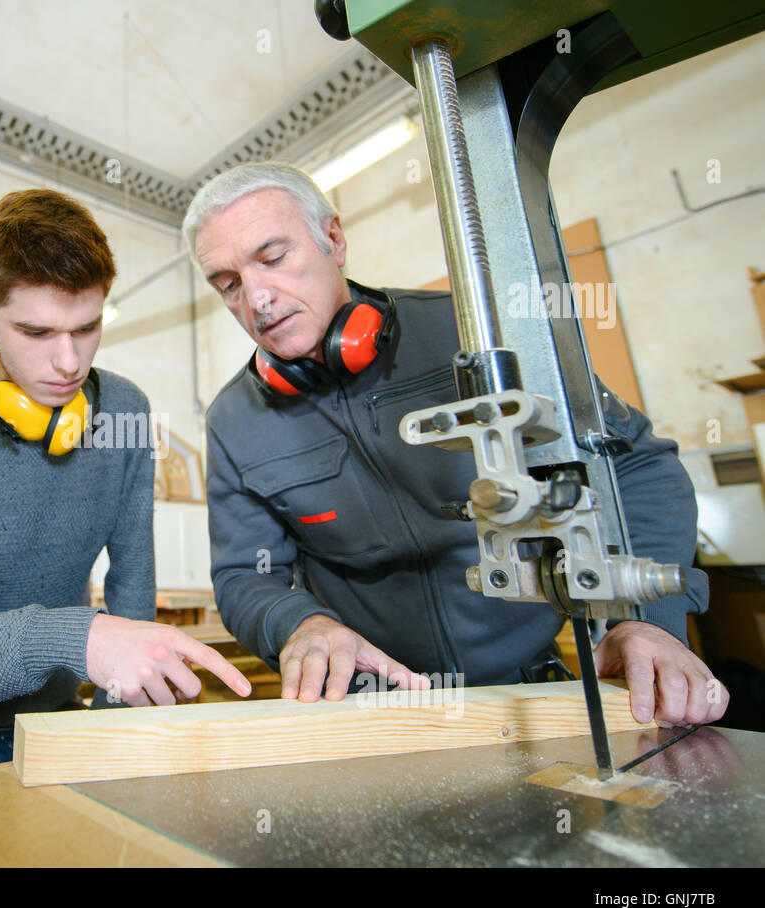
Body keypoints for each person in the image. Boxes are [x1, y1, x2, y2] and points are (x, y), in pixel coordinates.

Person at [184, 161, 728, 727]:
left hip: (529, 696)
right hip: (374, 706)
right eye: (228, 283)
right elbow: (245, 573)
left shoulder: (477, 337)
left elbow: (637, 467)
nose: (258, 299)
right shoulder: (234, 418)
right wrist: (300, 624)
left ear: (334, 239)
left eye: (272, 259)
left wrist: (646, 620)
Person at [0, 189, 250, 786]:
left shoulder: (124, 413)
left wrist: (116, 721)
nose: (68, 362)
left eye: (87, 328)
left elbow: (132, 586)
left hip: (56, 723)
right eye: (37, 331)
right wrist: (78, 636)